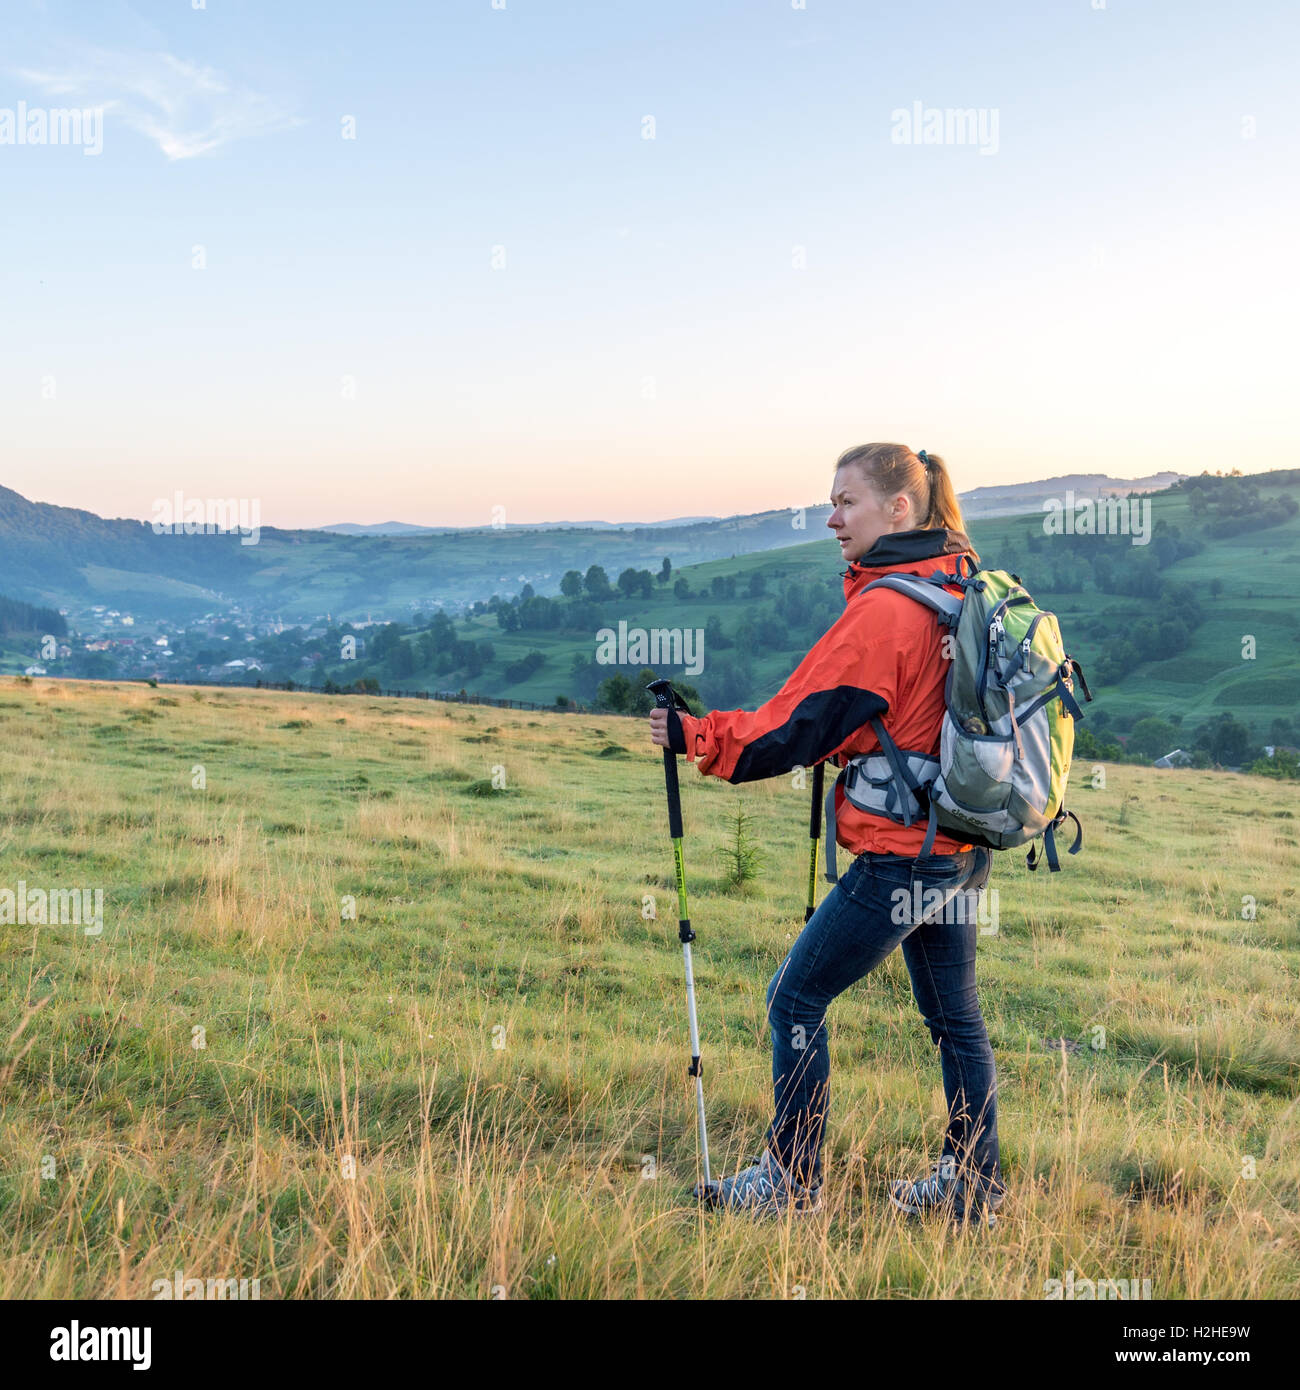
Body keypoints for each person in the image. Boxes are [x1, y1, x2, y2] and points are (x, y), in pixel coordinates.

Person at [648, 442, 1005, 1226]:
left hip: (901, 855)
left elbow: (794, 724)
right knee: (956, 1019)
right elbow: (897, 713)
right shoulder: (957, 583)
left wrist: (695, 735)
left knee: (795, 997)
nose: (831, 518)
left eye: (846, 501)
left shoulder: (888, 605)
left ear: (899, 509)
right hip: (959, 844)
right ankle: (976, 1186)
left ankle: (790, 1182)